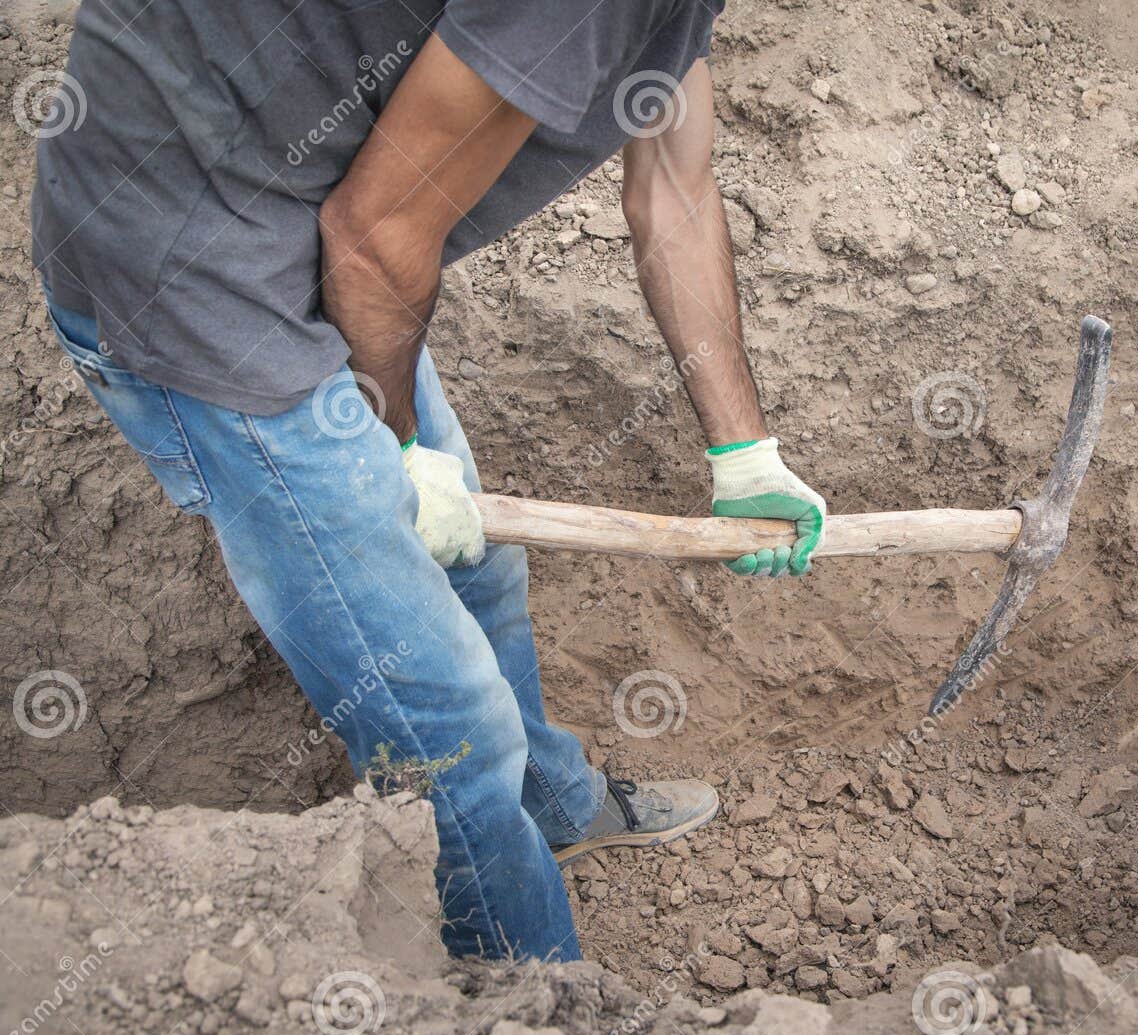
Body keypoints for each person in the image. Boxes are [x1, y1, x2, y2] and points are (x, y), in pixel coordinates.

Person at [30, 0, 828, 962]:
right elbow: (372, 238)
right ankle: (526, 1001)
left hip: (292, 211)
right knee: (445, 726)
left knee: (476, 566)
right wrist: (401, 452)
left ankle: (553, 809)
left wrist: (743, 453)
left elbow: (675, 189)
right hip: (184, 263)